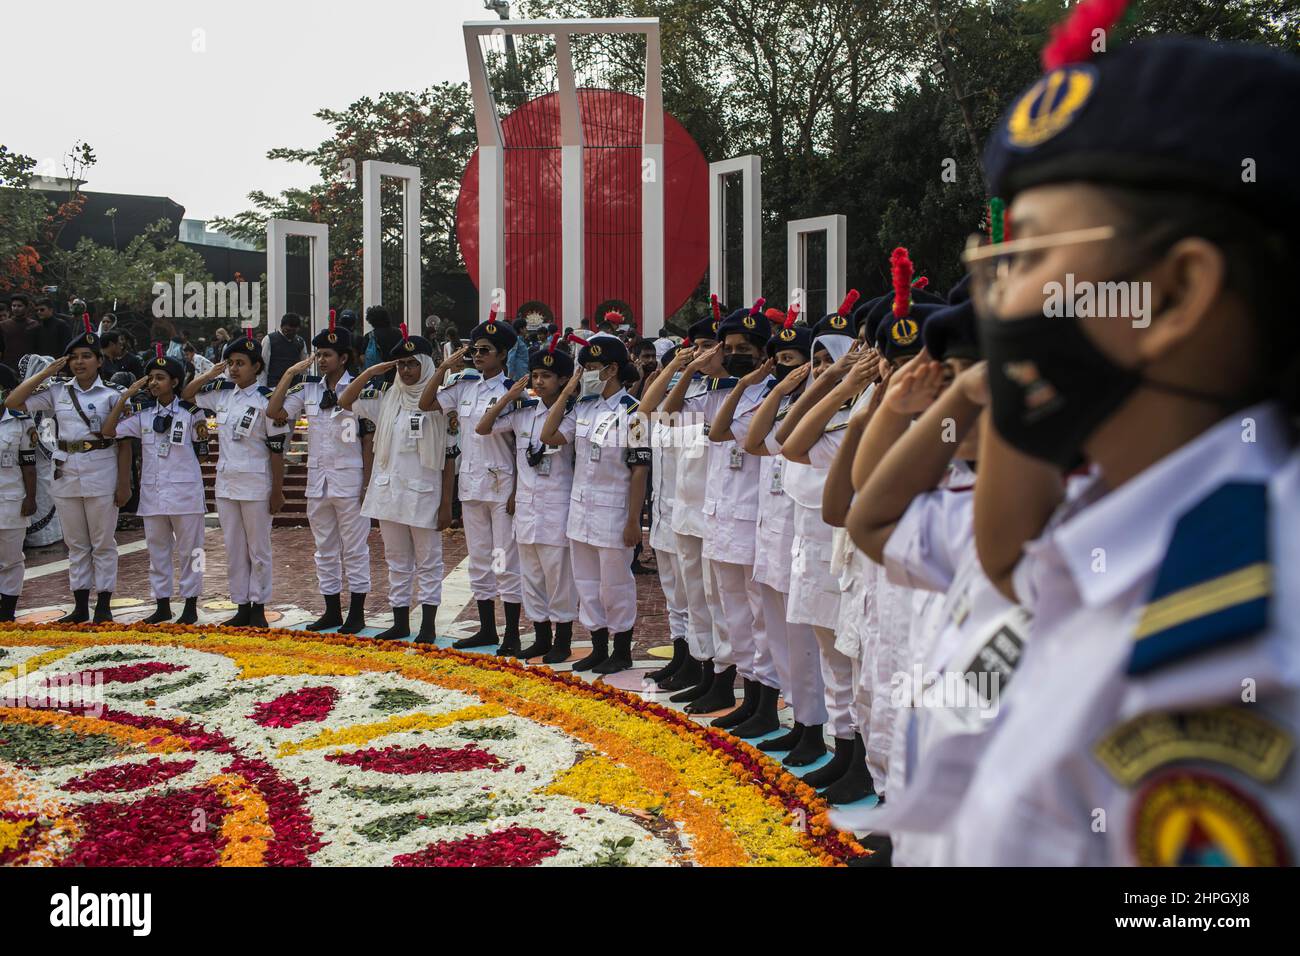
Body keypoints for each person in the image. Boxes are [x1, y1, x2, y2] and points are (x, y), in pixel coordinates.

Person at [942, 3, 1300, 866]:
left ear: (1174, 295)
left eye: (1028, 256)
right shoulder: (1123, 540)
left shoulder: (1240, 649)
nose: (1000, 301)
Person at [655, 300, 774, 722]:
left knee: (757, 615)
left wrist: (748, 383)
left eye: (745, 347)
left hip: (755, 519)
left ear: (765, 351)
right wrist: (689, 368)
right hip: (718, 516)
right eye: (730, 346)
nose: (735, 353)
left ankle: (760, 700)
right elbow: (663, 412)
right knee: (729, 610)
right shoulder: (716, 394)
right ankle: (738, 690)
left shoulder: (777, 393)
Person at [5, 315, 127, 623]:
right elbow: (15, 401)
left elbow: (124, 442)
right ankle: (80, 604)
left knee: (102, 542)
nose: (79, 362)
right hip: (66, 471)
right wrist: (46, 372)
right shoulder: (57, 391)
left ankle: (104, 605)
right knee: (76, 544)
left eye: (87, 356)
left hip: (101, 469)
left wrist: (124, 484)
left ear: (99, 361)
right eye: (73, 358)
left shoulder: (112, 394)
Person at [539, 333, 650, 674]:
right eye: (584, 366)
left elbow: (639, 468)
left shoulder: (633, 411)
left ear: (612, 369)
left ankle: (621, 649)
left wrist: (634, 520)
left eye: (592, 367)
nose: (586, 372)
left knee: (615, 584)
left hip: (615, 512)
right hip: (581, 510)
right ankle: (598, 645)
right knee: (586, 583)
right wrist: (570, 390)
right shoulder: (583, 407)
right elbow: (548, 434)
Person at [419, 313, 523, 653]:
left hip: (503, 484)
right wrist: (442, 367)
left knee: (503, 559)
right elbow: (426, 403)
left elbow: (522, 444)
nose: (478, 355)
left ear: (503, 354)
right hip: (473, 483)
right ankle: (487, 628)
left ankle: (510, 633)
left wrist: (519, 488)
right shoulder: (464, 387)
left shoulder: (514, 391)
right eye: (475, 349)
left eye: (486, 350)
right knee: (479, 558)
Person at [338, 325, 450, 643]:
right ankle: (400, 620)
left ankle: (427, 624)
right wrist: (371, 371)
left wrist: (446, 505)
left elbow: (450, 453)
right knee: (397, 560)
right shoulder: (388, 397)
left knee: (429, 561)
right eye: (401, 364)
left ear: (425, 364)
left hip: (425, 492)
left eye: (412, 363)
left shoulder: (441, 400)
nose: (406, 370)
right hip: (389, 492)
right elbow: (346, 400)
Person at [637, 301, 723, 700]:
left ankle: (702, 664)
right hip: (665, 513)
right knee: (675, 596)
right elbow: (646, 410)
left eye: (710, 346)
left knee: (699, 599)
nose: (701, 353)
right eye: (696, 346)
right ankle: (682, 654)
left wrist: (686, 369)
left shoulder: (712, 401)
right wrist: (674, 367)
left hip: (695, 515)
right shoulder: (684, 399)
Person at [475, 333, 579, 661]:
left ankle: (562, 638)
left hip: (556, 506)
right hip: (526, 507)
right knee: (531, 575)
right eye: (535, 375)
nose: (539, 381)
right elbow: (483, 427)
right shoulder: (523, 411)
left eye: (546, 376)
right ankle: (541, 635)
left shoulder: (573, 413)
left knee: (557, 576)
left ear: (563, 380)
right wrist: (507, 398)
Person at [267, 311, 372, 633]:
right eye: (318, 354)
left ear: (344, 357)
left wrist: (367, 483)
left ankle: (356, 612)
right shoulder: (309, 389)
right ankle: (331, 610)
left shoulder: (359, 388)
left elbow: (368, 436)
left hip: (350, 479)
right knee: (324, 549)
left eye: (327, 355)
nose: (321, 360)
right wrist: (288, 375)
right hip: (318, 480)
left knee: (355, 548)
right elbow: (274, 412)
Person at [183, 330, 289, 628]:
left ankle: (259, 606)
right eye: (230, 362)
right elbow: (187, 394)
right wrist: (211, 373)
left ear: (257, 366)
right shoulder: (222, 394)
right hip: (227, 483)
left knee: (258, 549)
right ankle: (241, 604)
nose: (234, 368)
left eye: (241, 362)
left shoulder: (267, 400)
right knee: (234, 549)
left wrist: (277, 490)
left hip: (257, 484)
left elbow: (277, 449)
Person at [101, 346, 207, 625]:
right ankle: (162, 604)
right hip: (154, 493)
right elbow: (109, 431)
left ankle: (191, 604)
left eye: (160, 377)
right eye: (150, 378)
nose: (153, 382)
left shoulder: (191, 413)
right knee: (157, 551)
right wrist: (125, 395)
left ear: (174, 381)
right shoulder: (142, 413)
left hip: (185, 492)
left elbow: (202, 444)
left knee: (192, 552)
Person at [0, 395, 37, 621]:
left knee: (11, 558)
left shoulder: (20, 421)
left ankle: (7, 611)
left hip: (10, 498)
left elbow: (29, 463)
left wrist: (31, 498)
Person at [262, 313, 309, 389]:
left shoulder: (300, 341)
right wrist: (263, 388)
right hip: (274, 386)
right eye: (288, 330)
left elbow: (304, 367)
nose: (290, 333)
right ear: (281, 327)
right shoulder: (269, 339)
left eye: (294, 331)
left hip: (295, 387)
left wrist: (304, 385)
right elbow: (264, 366)